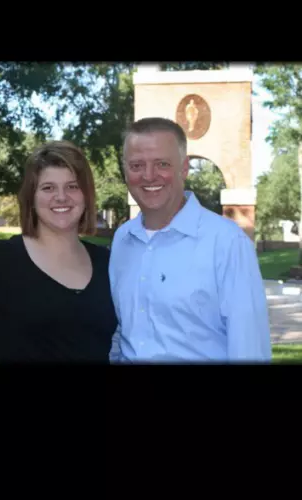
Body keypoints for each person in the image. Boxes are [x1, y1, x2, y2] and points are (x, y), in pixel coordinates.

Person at [109, 117, 271, 363]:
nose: (149, 176)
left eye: (162, 164)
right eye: (136, 165)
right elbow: (122, 332)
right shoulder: (122, 240)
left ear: (184, 168)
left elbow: (250, 349)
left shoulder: (227, 243)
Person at [0, 140, 118, 363]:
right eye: (48, 188)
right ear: (31, 198)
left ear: (86, 195)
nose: (61, 197)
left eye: (72, 186)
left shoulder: (108, 263)